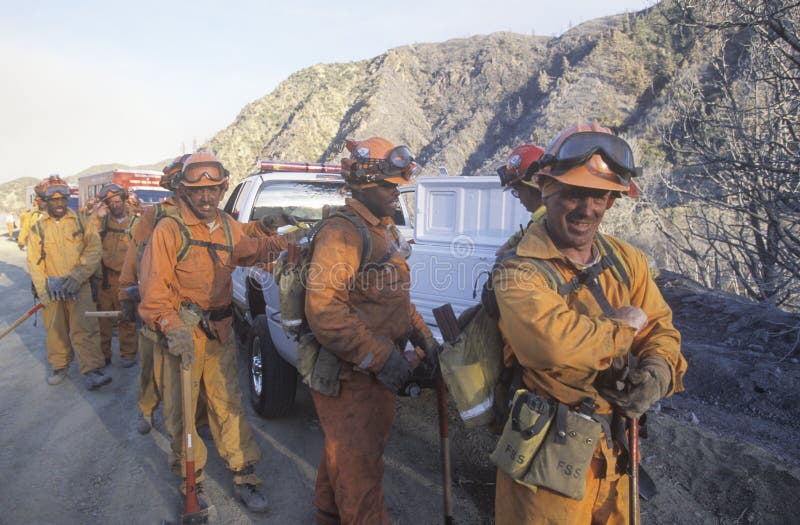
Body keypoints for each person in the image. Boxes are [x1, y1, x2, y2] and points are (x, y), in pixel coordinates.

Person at [492, 123, 688, 524]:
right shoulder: (517, 271)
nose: (587, 208)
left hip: (615, 453)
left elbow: (661, 328)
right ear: (546, 190)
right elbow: (553, 345)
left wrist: (657, 372)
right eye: (573, 193)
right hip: (547, 455)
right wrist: (623, 330)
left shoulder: (626, 259)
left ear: (612, 201)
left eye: (599, 195)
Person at [138, 151, 289, 512]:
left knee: (228, 405)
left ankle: (245, 474)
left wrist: (287, 240)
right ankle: (192, 481)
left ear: (222, 189)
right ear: (184, 191)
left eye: (213, 190)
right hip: (182, 336)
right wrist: (171, 327)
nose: (206, 198)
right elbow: (153, 292)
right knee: (182, 413)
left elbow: (255, 250)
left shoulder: (226, 225)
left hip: (219, 332)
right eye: (197, 190)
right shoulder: (168, 230)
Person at [305, 137, 438, 525]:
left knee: (345, 456)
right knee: (360, 471)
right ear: (365, 184)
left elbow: (394, 300)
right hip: (352, 376)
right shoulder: (343, 234)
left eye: (398, 186)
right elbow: (325, 311)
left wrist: (422, 338)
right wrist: (382, 357)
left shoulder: (381, 231)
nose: (397, 195)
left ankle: (327, 515)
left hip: (374, 370)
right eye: (389, 187)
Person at [26, 175, 111, 389]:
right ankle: (60, 365)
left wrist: (78, 275)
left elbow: (94, 249)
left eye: (62, 199)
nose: (59, 204)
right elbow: (34, 263)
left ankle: (92, 371)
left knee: (85, 328)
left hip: (78, 286)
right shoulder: (38, 228)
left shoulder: (81, 222)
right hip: (52, 289)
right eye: (54, 200)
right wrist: (43, 292)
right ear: (46, 201)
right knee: (56, 330)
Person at [95, 183, 138, 367]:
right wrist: (96, 218)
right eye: (110, 202)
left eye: (117, 200)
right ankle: (104, 354)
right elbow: (86, 237)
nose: (114, 204)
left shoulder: (136, 223)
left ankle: (128, 354)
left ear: (124, 200)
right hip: (106, 278)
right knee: (103, 319)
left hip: (127, 280)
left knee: (126, 317)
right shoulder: (103, 222)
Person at [495, 143, 546, 255]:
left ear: (531, 187)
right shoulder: (545, 219)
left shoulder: (545, 227)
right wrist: (513, 239)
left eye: (517, 191)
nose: (519, 198)